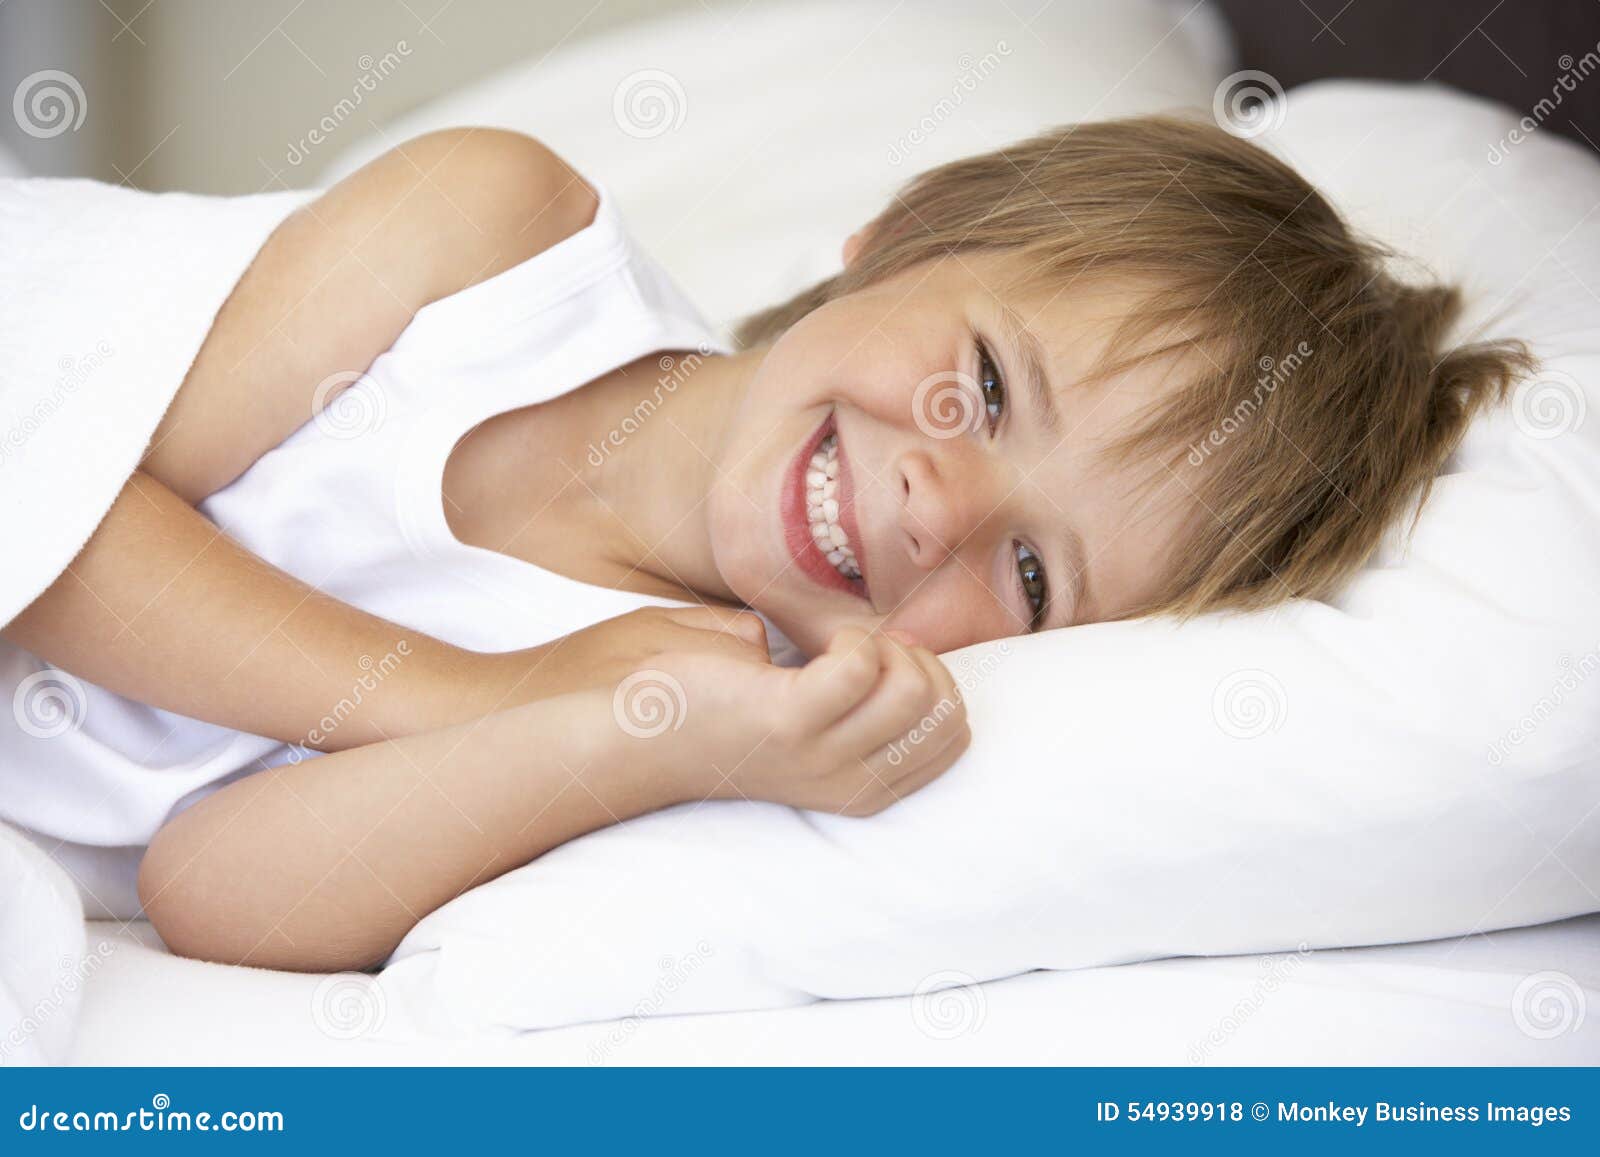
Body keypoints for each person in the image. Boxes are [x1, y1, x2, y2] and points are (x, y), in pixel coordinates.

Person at [0, 118, 1531, 972]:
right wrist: (480, 696)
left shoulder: (701, 698)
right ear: (903, 227)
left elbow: (206, 886)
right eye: (989, 384)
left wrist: (613, 743)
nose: (941, 501)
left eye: (1034, 576)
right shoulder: (493, 241)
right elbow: (52, 523)